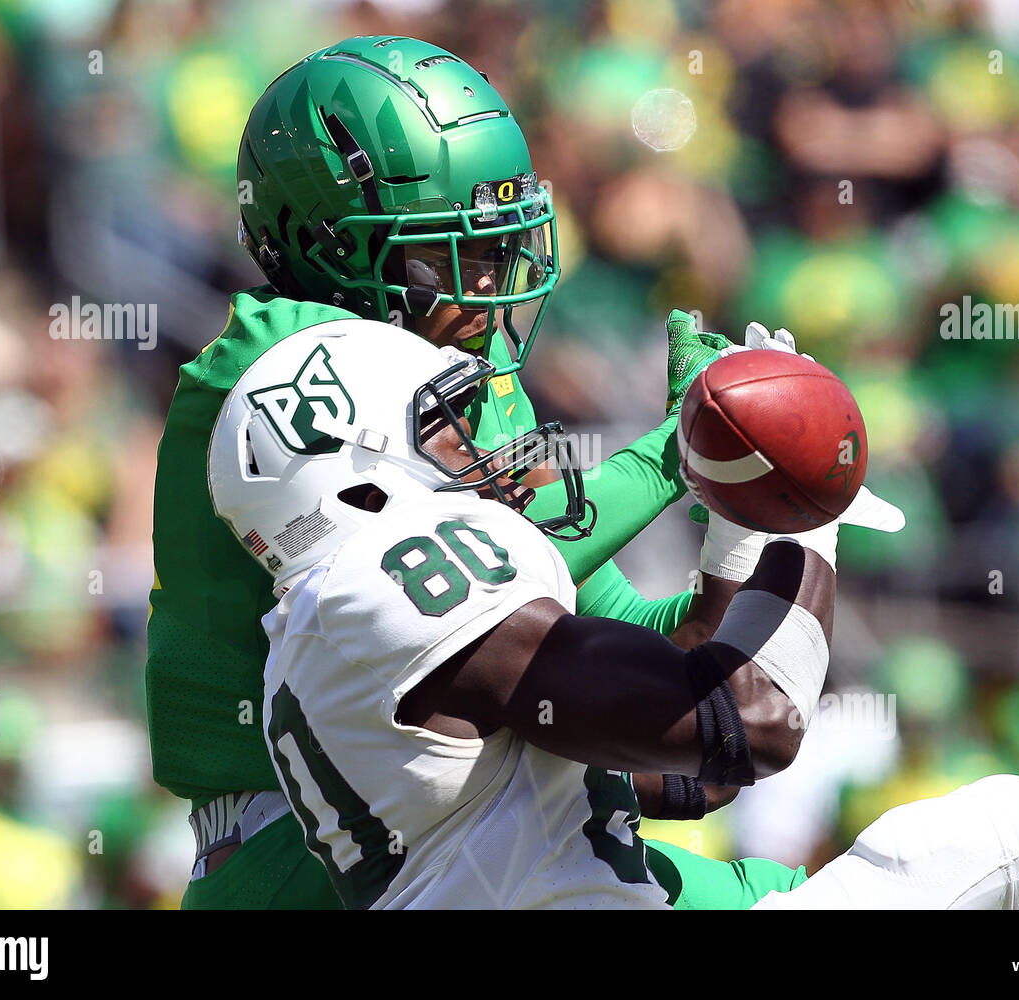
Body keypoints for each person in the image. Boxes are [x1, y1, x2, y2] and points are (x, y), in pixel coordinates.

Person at [149, 35, 789, 908]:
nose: (489, 282)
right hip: (312, 852)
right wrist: (675, 454)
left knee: (779, 890)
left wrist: (750, 511)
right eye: (444, 252)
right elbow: (467, 568)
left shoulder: (468, 383)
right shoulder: (271, 361)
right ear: (328, 245)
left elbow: (657, 656)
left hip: (495, 814)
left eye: (497, 246)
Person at [208, 318, 1019, 910]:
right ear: (353, 473)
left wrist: (739, 512)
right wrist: (808, 509)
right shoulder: (384, 578)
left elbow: (701, 772)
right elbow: (753, 723)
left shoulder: (340, 639)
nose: (477, 448)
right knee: (1015, 833)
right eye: (439, 428)